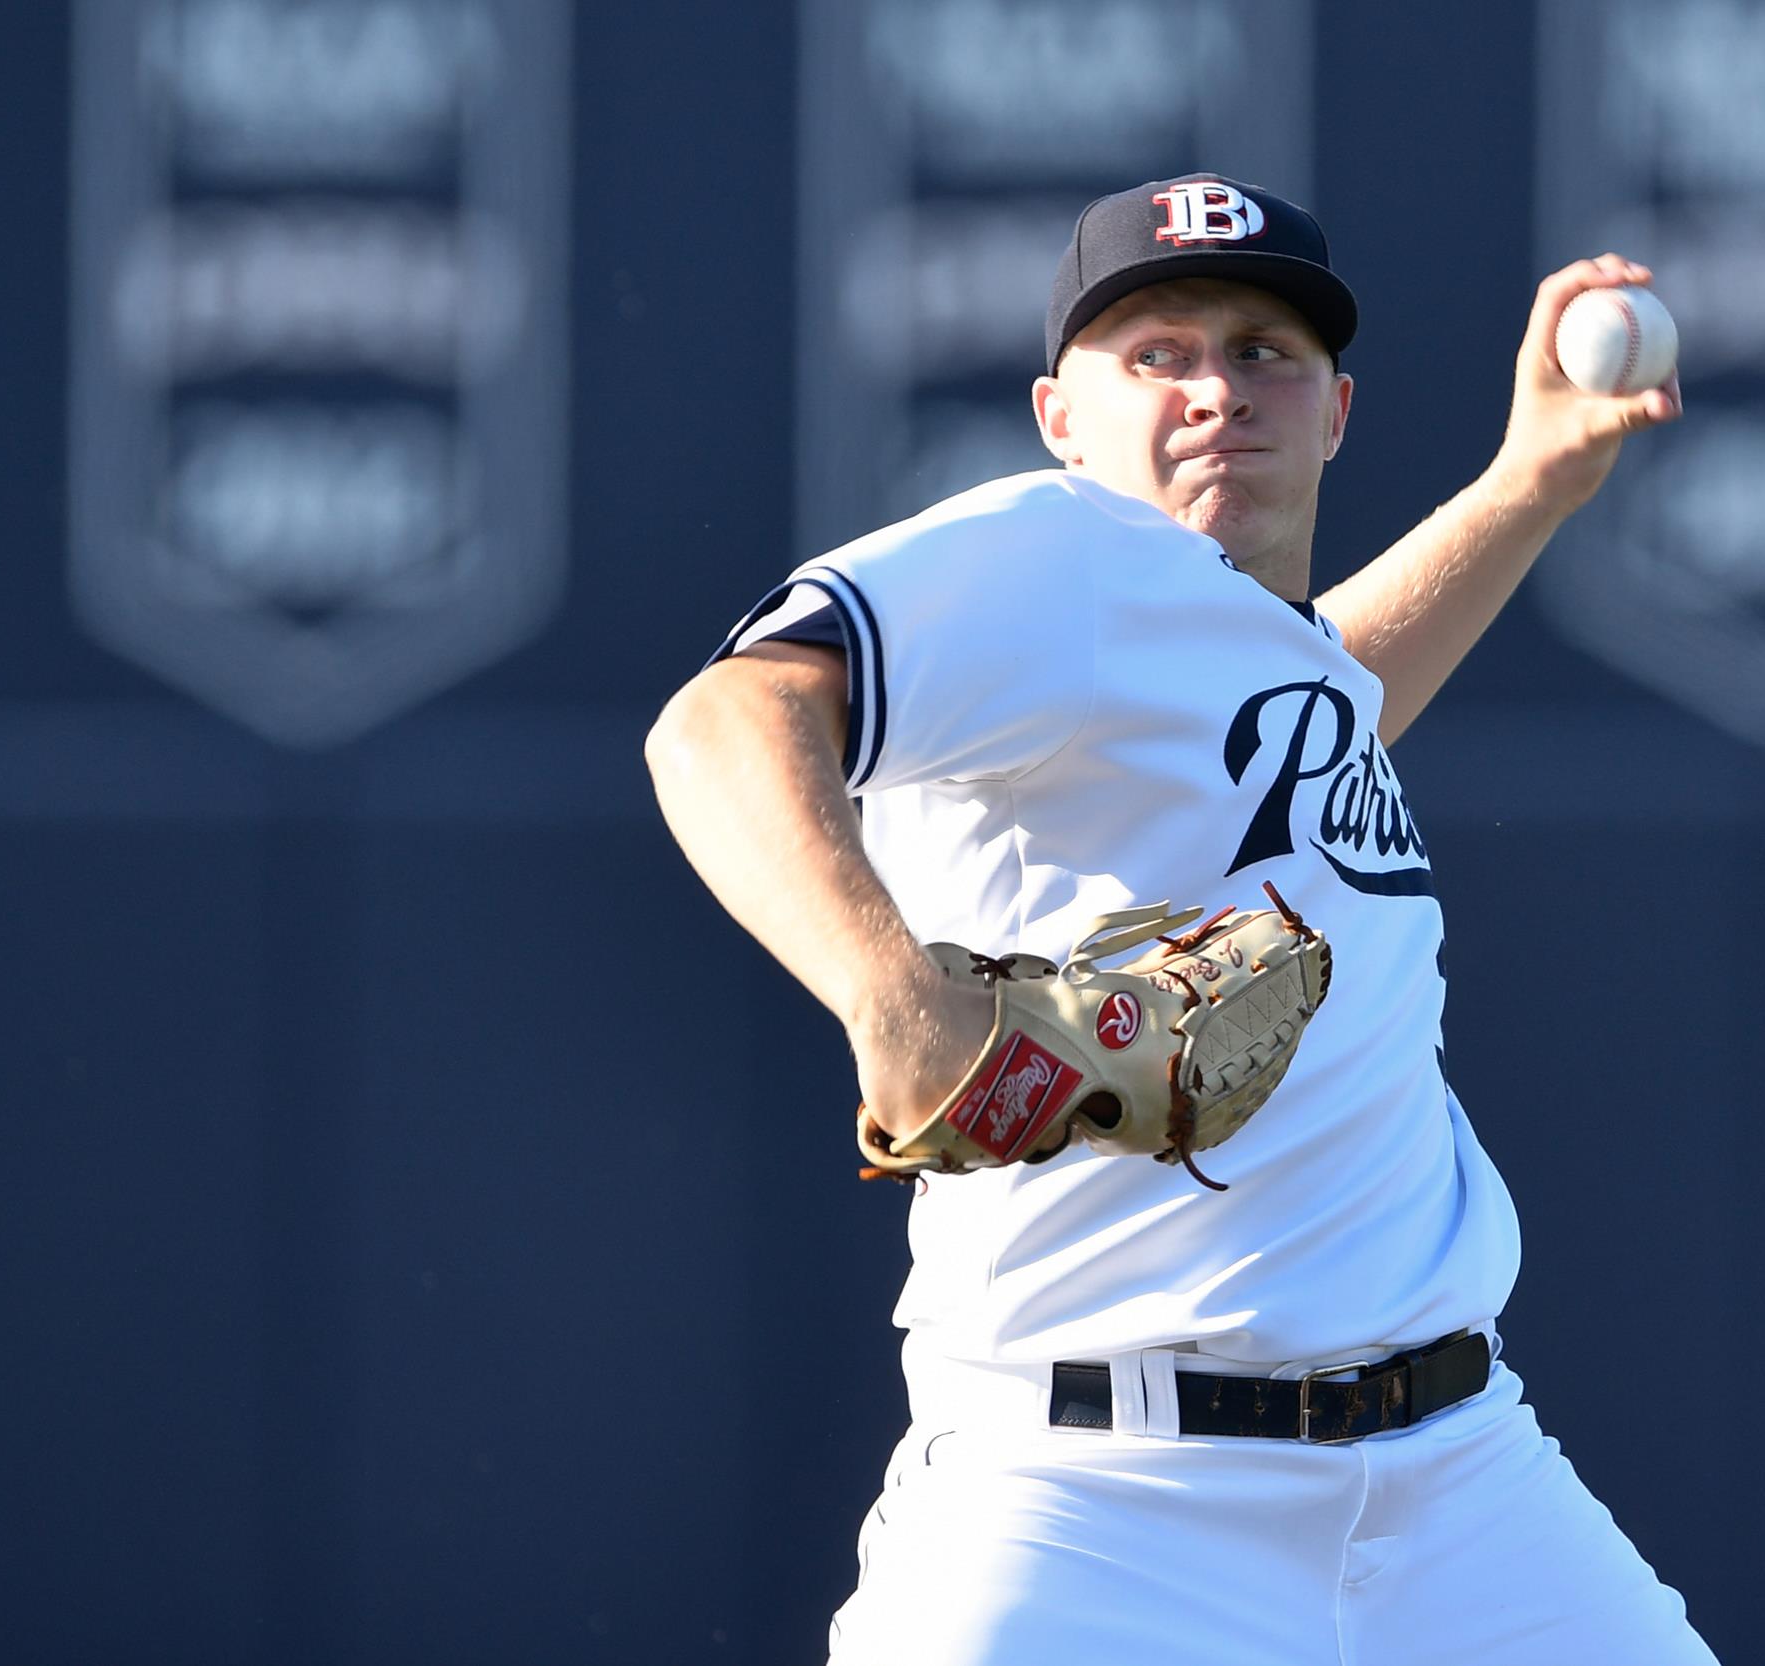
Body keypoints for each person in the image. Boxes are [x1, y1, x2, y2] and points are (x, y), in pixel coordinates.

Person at [645, 174, 1710, 1664]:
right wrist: (895, 998)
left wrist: (1528, 483)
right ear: (1059, 417)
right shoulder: (1059, 554)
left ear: (1336, 412)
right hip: (1100, 1499)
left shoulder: (1249, 662)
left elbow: (1322, 699)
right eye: (1159, 353)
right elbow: (720, 721)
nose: (1219, 389)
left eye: (1265, 351)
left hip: (1458, 1485)